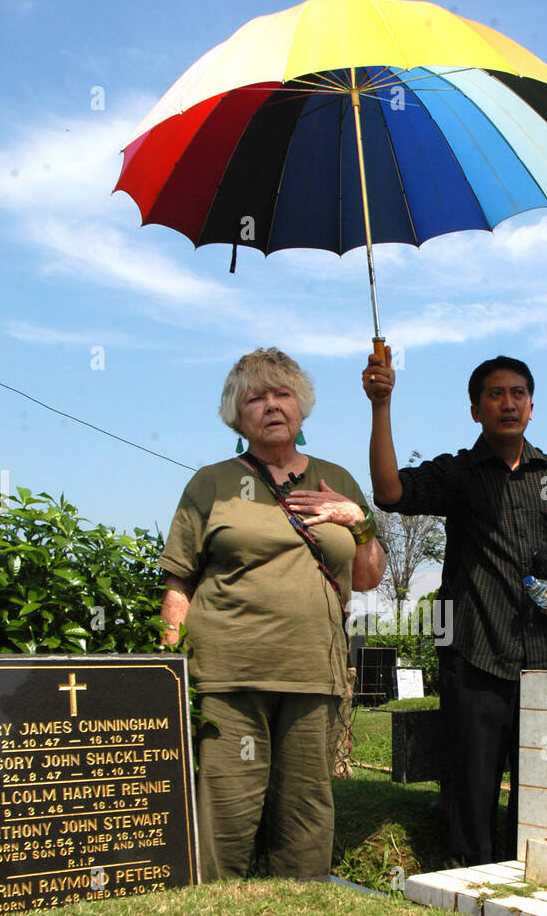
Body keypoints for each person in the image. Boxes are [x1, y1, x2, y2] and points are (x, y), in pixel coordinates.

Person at [364, 346, 547, 866]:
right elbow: (389, 492)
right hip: (475, 655)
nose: (508, 403)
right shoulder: (460, 475)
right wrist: (381, 405)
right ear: (475, 410)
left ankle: (536, 881)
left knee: (542, 786)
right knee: (471, 790)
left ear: (531, 405)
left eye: (518, 393)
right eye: (494, 394)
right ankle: (470, 884)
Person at [160, 347, 385, 882]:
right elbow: (177, 586)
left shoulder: (337, 479)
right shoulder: (210, 483)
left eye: (282, 394)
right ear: (237, 415)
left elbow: (368, 576)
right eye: (254, 397)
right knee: (227, 811)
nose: (271, 405)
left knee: (305, 810)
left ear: (302, 408)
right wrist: (166, 668)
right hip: (228, 673)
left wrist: (359, 521)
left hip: (313, 672)